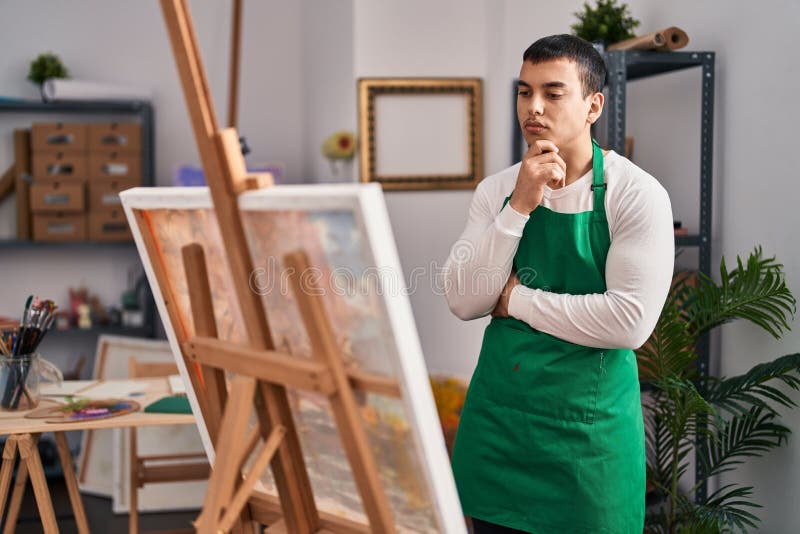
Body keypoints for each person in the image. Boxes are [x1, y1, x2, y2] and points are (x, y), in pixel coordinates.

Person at [443, 34, 675, 533]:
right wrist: (520, 204)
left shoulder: (636, 195)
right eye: (524, 92)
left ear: (593, 105)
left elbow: (627, 323)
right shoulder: (498, 190)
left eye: (553, 92)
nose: (534, 107)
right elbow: (464, 299)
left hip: (588, 443)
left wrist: (514, 299)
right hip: (499, 427)